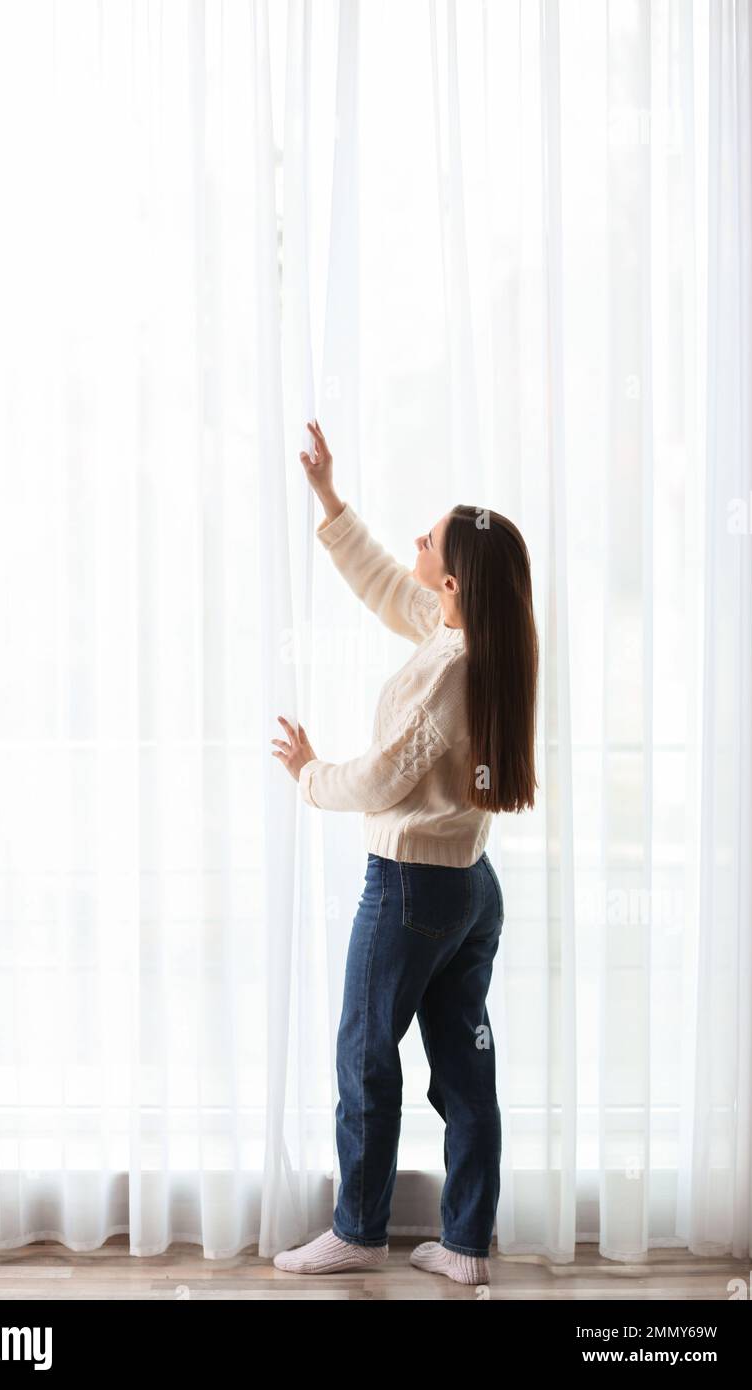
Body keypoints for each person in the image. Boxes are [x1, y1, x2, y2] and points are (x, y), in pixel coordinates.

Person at [270, 419, 538, 1286]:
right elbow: (388, 587)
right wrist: (329, 499)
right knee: (464, 1063)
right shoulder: (474, 639)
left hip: (412, 888)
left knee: (363, 1050)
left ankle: (357, 1229)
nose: (415, 543)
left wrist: (310, 775)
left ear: (454, 580)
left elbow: (387, 778)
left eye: (428, 540)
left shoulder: (451, 670)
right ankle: (464, 1246)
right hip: (468, 888)